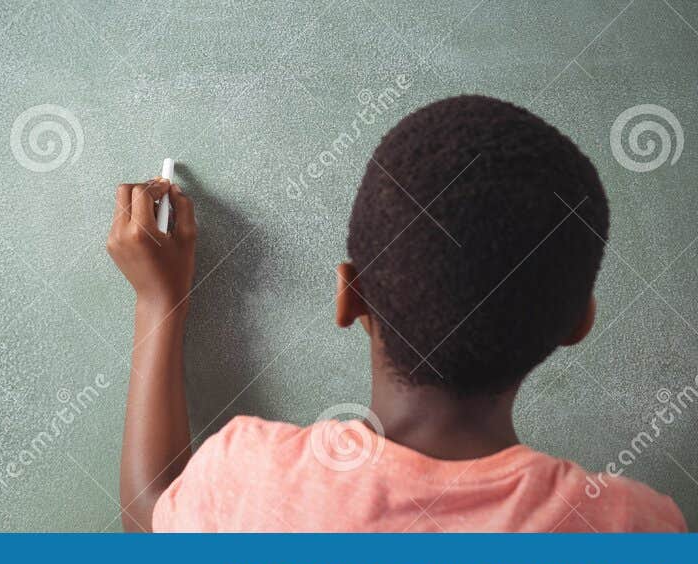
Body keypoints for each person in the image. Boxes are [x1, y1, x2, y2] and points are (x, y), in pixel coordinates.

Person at [107, 95, 686, 532]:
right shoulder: (632, 529)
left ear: (349, 297)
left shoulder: (245, 482)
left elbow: (153, 514)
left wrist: (159, 302)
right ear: (579, 323)